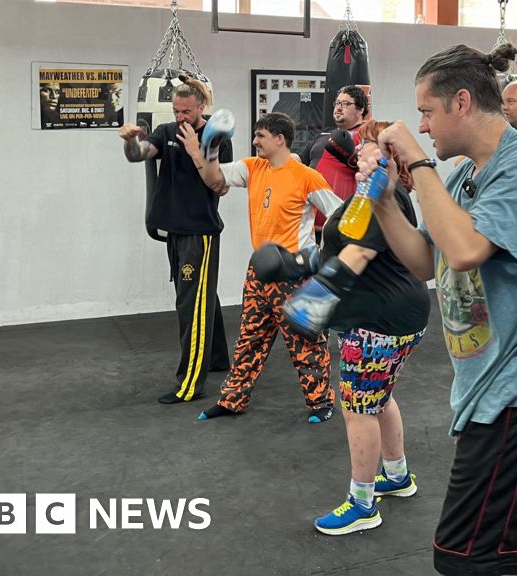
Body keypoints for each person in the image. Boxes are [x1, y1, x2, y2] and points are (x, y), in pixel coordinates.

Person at [361, 44, 517, 576]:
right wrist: (385, 200)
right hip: (488, 386)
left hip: (515, 392)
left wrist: (417, 161)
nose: (423, 125)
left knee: (466, 561)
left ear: (461, 102)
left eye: (427, 111)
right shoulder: (463, 174)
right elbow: (428, 260)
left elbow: (466, 249)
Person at [260, 120, 430, 535]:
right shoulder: (366, 193)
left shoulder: (382, 194)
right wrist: (296, 263)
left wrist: (312, 300)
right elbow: (339, 245)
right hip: (392, 313)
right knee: (379, 398)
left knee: (357, 408)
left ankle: (363, 504)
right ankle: (397, 475)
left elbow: (359, 254)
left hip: (379, 320)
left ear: (390, 157)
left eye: (369, 144)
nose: (359, 150)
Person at [181, 112, 342, 424]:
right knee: (249, 338)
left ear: (280, 139)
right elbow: (214, 179)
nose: (254, 141)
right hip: (259, 271)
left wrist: (320, 259)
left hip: (294, 274)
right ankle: (232, 400)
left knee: (305, 342)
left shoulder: (306, 176)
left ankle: (321, 402)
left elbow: (339, 217)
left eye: (260, 136)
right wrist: (209, 150)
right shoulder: (253, 168)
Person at [118, 78, 233, 405]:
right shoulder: (166, 131)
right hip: (175, 229)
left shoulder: (217, 138)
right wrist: (129, 141)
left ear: (201, 107)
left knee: (190, 305)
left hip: (200, 232)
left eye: (186, 111)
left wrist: (196, 151)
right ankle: (217, 359)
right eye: (176, 111)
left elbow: (221, 186)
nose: (180, 117)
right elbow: (139, 155)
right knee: (200, 297)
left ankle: (190, 385)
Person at [300, 86, 369, 235]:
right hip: (310, 228)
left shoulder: (366, 137)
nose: (338, 108)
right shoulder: (322, 136)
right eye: (337, 103)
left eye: (345, 104)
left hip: (340, 228)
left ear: (360, 109)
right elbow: (298, 160)